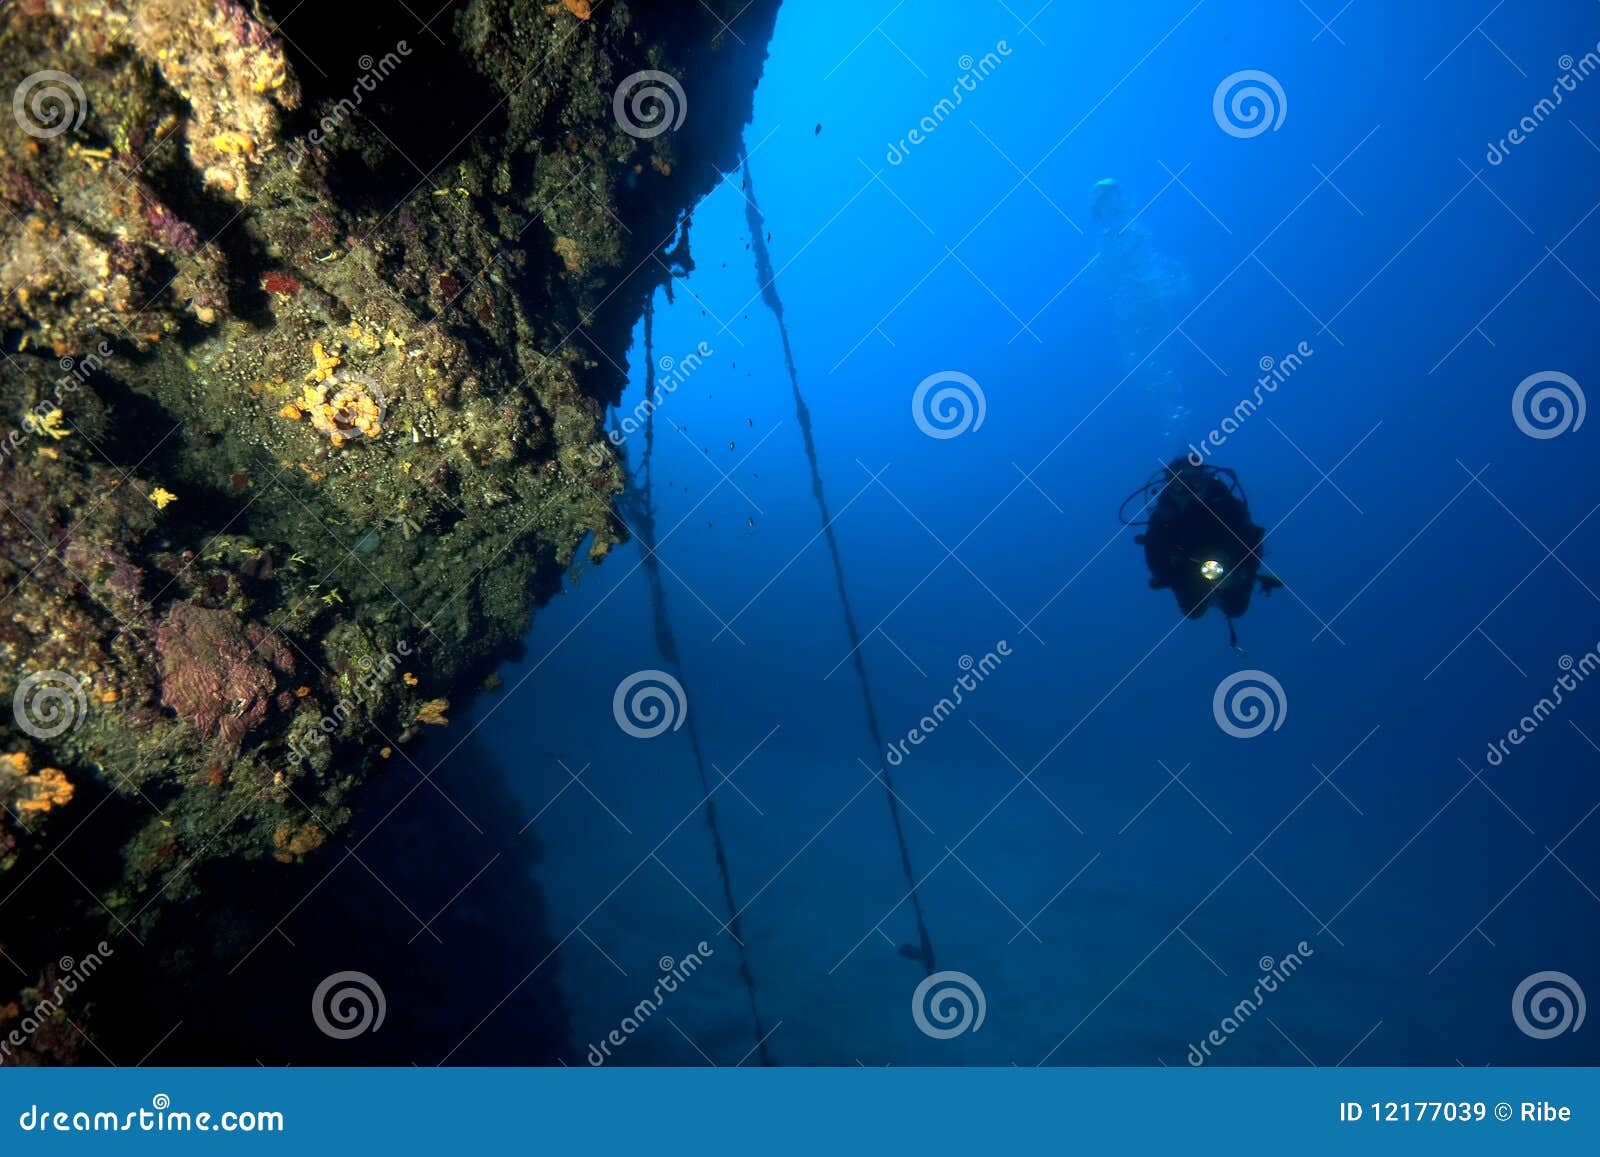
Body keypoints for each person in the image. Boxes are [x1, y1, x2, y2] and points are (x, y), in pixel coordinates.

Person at [1119, 459, 1283, 648]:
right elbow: (1154, 556)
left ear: (1205, 481)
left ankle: (1236, 586)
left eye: (1193, 483)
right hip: (1186, 571)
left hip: (1231, 564)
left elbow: (1252, 540)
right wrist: (1170, 574)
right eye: (1179, 487)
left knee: (1235, 608)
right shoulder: (1162, 518)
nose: (1188, 491)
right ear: (1169, 489)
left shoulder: (1228, 506)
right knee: (1193, 611)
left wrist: (1244, 571)